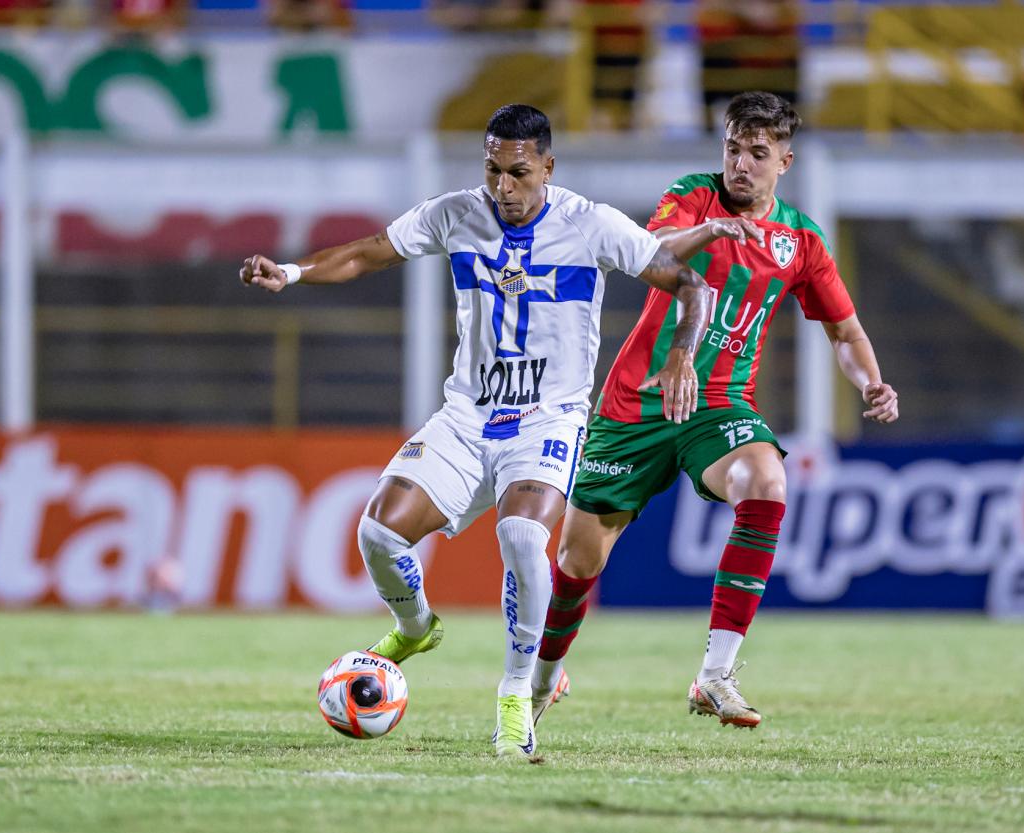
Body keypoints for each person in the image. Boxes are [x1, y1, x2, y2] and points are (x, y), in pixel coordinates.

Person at [239, 104, 725, 758]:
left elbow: (691, 285)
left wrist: (680, 355)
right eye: (493, 170)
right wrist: (292, 272)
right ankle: (414, 627)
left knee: (524, 537)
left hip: (548, 418)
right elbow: (367, 254)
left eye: (519, 173)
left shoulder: (591, 224)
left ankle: (517, 696)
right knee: (377, 532)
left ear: (547, 167)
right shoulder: (455, 213)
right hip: (468, 415)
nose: (504, 187)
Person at [530, 91, 899, 730]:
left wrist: (872, 382)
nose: (741, 165)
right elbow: (652, 249)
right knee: (577, 563)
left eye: (758, 153)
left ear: (785, 160)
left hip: (718, 405)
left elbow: (844, 332)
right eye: (733, 148)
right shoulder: (695, 196)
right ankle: (536, 680)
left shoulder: (802, 241)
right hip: (635, 405)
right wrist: (711, 229)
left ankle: (715, 675)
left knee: (767, 481)